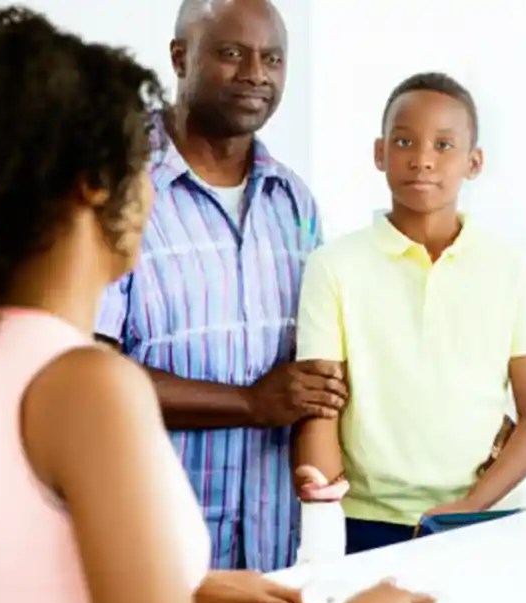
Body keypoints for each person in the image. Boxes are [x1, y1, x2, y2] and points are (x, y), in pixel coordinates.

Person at [0, 8, 434, 603]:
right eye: (138, 165)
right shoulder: (91, 384)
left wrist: (176, 593)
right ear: (91, 187)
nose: (154, 189)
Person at [96, 0, 342, 572]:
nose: (256, 73)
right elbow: (90, 378)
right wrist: (250, 403)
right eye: (232, 54)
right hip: (149, 560)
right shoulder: (116, 189)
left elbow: (320, 369)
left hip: (273, 554)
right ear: (180, 57)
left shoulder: (295, 202)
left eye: (273, 58)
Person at [293, 72, 526, 554]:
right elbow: (321, 408)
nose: (423, 159)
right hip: (365, 519)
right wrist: (323, 521)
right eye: (404, 141)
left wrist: (473, 504)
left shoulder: (513, 269)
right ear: (379, 153)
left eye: (444, 145)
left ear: (474, 162)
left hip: (482, 515)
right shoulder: (333, 266)